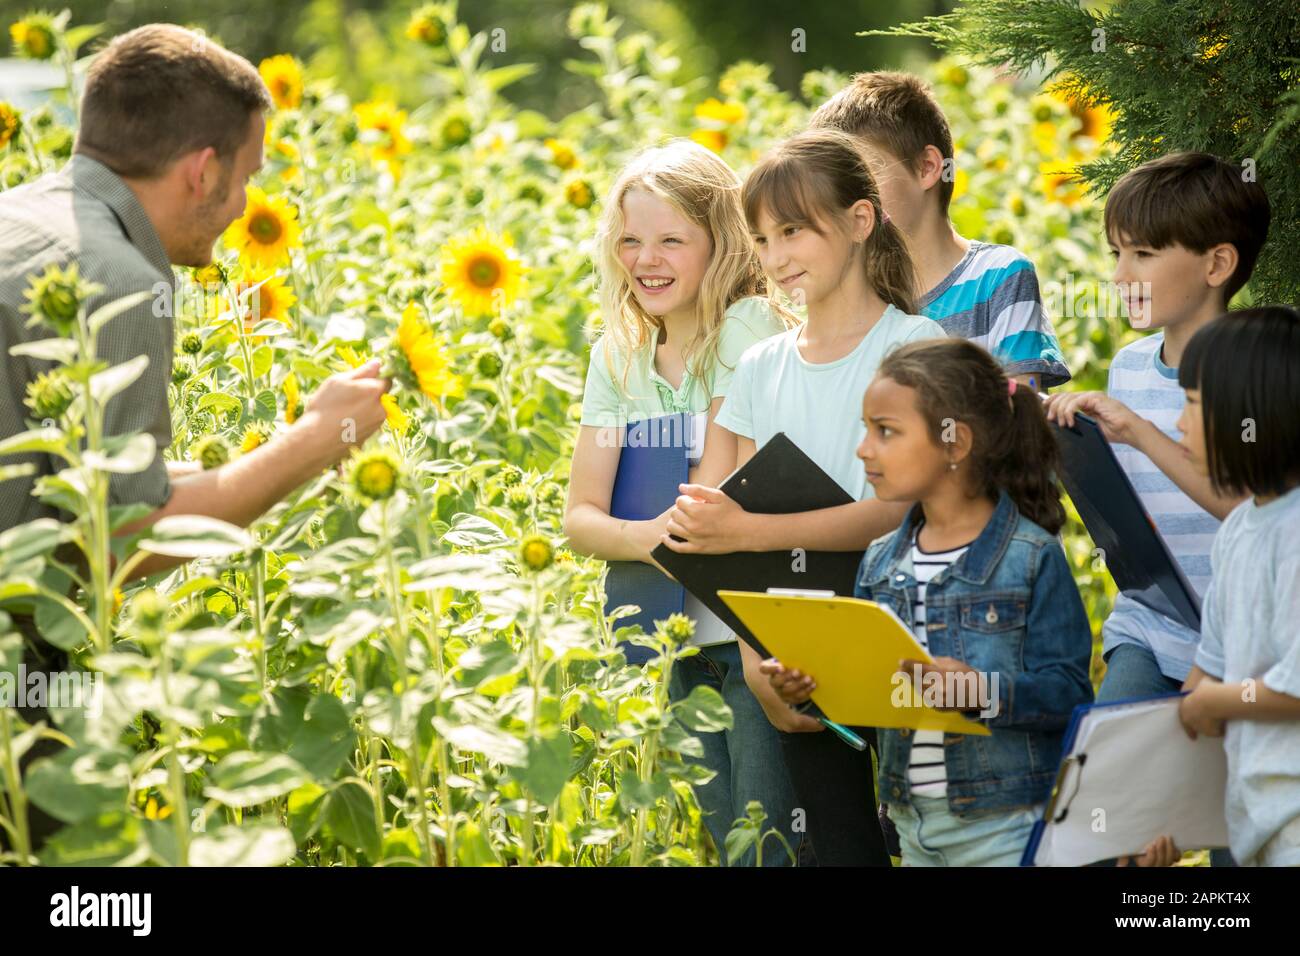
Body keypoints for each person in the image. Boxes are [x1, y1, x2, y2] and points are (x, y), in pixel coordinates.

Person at [0, 24, 390, 853]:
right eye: (247, 174)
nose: (248, 203)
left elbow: (65, 477)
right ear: (203, 169)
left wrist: (266, 447)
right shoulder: (121, 282)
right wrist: (317, 444)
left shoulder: (26, 219)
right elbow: (120, 543)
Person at [660, 127, 946, 865]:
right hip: (802, 645)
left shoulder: (914, 345)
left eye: (795, 230)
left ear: (859, 220)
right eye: (761, 238)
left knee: (933, 836)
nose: (777, 256)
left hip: (907, 626)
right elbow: (748, 506)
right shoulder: (758, 366)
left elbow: (898, 511)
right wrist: (758, 658)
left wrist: (747, 535)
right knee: (838, 840)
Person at [764, 338, 1094, 865]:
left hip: (1007, 826)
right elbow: (869, 699)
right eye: (867, 428)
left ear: (954, 443)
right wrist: (812, 690)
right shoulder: (878, 562)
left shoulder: (1030, 558)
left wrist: (977, 690)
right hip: (912, 827)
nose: (863, 449)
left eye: (886, 432)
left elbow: (1070, 697)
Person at [562, 139, 798, 864]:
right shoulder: (618, 356)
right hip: (670, 642)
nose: (646, 260)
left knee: (767, 843)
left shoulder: (747, 328)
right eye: (630, 240)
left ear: (721, 244)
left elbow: (728, 487)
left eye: (671, 239)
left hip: (753, 632)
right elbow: (580, 518)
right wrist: (653, 537)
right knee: (724, 840)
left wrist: (657, 533)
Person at [809, 71, 1069, 390]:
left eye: (862, 172)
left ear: (927, 168)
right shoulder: (850, 295)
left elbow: (1023, 417)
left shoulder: (999, 277)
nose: (843, 198)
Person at [1175, 307, 1300, 867]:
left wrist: (1212, 702)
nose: (1179, 423)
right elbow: (1210, 669)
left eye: (1192, 404)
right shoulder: (1239, 529)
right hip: (1258, 826)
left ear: (1250, 414)